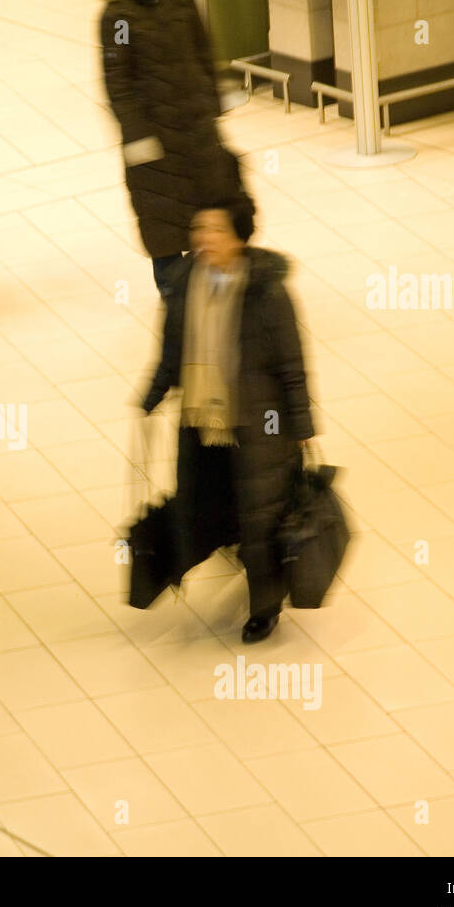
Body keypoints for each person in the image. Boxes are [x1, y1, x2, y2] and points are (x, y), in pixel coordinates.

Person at [140, 195, 316, 644]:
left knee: (263, 516)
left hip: (261, 422)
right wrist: (153, 392)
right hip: (201, 419)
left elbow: (292, 364)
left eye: (215, 230)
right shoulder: (183, 284)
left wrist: (300, 427)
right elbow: (173, 350)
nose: (204, 238)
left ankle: (265, 608)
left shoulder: (266, 290)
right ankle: (232, 547)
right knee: (209, 499)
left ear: (238, 237)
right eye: (199, 229)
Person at [98, 0, 239, 300]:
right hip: (154, 143)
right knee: (164, 224)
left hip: (197, 131)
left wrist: (212, 105)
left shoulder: (182, 2)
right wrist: (137, 135)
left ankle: (215, 287)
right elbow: (117, 80)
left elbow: (204, 51)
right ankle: (174, 295)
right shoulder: (119, 17)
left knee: (210, 210)